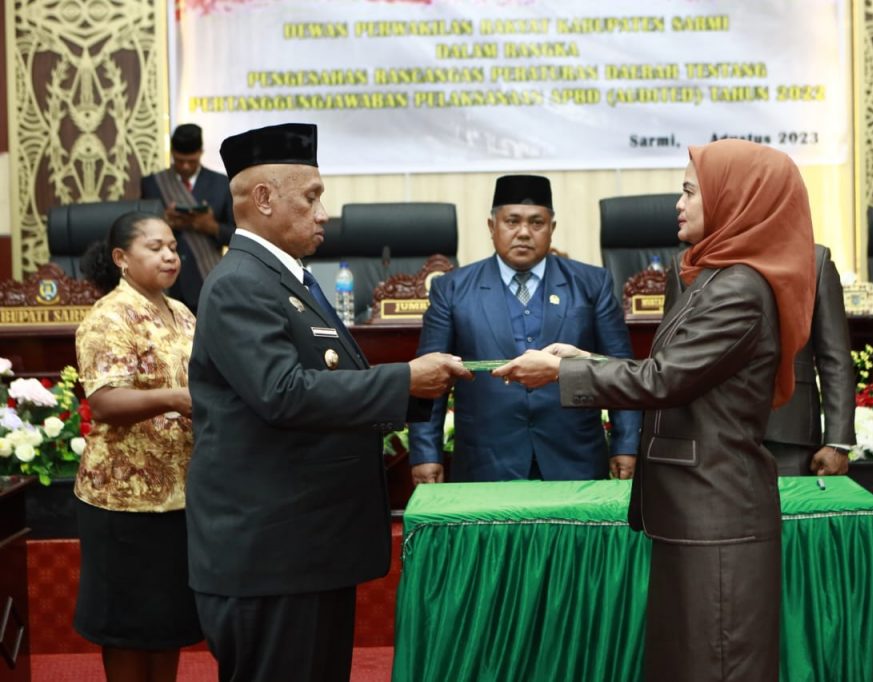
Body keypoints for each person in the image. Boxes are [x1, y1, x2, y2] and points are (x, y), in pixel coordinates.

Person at [494, 139, 816, 681]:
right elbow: (675, 370)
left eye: (691, 191)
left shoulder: (737, 287)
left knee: (714, 663)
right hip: (692, 512)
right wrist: (586, 357)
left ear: (734, 199)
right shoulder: (710, 277)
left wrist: (561, 373)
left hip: (716, 514)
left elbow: (665, 380)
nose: (679, 203)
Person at [185, 122, 470, 682]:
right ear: (264, 199)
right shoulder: (241, 282)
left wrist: (412, 391)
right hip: (272, 557)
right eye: (312, 196)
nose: (324, 213)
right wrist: (405, 380)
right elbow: (283, 393)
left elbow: (330, 383)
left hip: (305, 550)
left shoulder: (285, 279)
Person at [408, 174, 641, 483]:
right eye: (512, 221)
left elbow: (618, 366)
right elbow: (430, 379)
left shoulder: (591, 284)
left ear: (552, 228)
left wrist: (626, 444)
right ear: (492, 227)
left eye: (536, 223)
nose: (523, 233)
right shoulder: (451, 289)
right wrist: (426, 452)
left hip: (574, 459)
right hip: (486, 462)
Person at [73, 211, 201, 682]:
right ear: (122, 258)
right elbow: (105, 401)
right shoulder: (108, 317)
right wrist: (174, 399)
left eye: (173, 246)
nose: (169, 255)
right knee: (127, 626)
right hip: (123, 500)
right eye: (155, 247)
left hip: (179, 493)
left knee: (165, 624)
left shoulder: (182, 312)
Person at [764, 244, 856, 475]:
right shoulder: (702, 258)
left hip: (790, 432)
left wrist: (838, 443)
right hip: (718, 434)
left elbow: (834, 357)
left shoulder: (814, 260)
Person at [141, 123, 234, 313]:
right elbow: (141, 235)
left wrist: (211, 227)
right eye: (179, 160)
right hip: (165, 282)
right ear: (172, 152)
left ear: (200, 152)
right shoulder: (152, 183)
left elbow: (237, 235)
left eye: (191, 161)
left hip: (205, 280)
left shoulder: (222, 183)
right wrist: (164, 221)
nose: (184, 166)